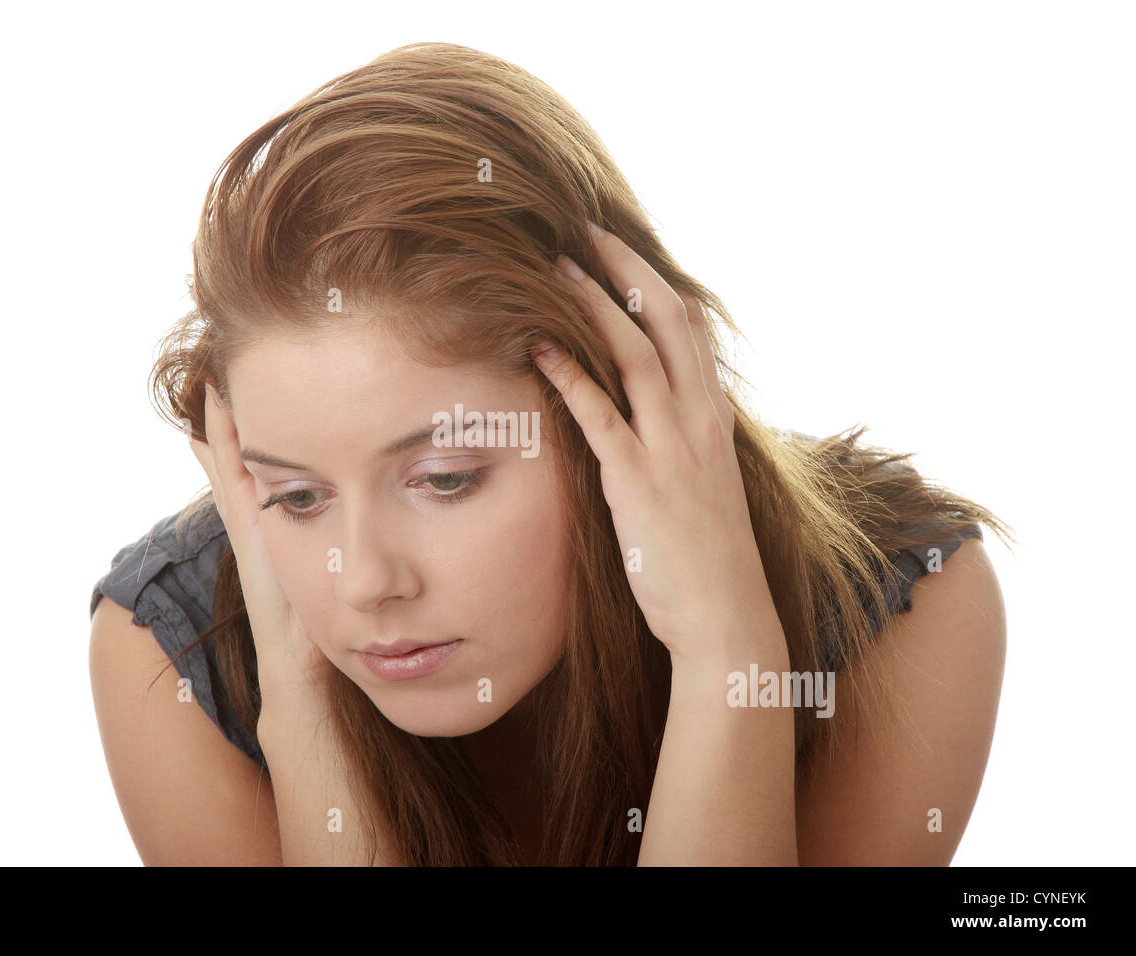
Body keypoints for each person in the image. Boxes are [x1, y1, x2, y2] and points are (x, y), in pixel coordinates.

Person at [88, 42, 1012, 866]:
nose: (363, 580)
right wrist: (301, 709)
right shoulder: (172, 659)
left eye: (444, 479)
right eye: (296, 499)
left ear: (621, 410)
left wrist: (729, 650)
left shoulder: (902, 607)